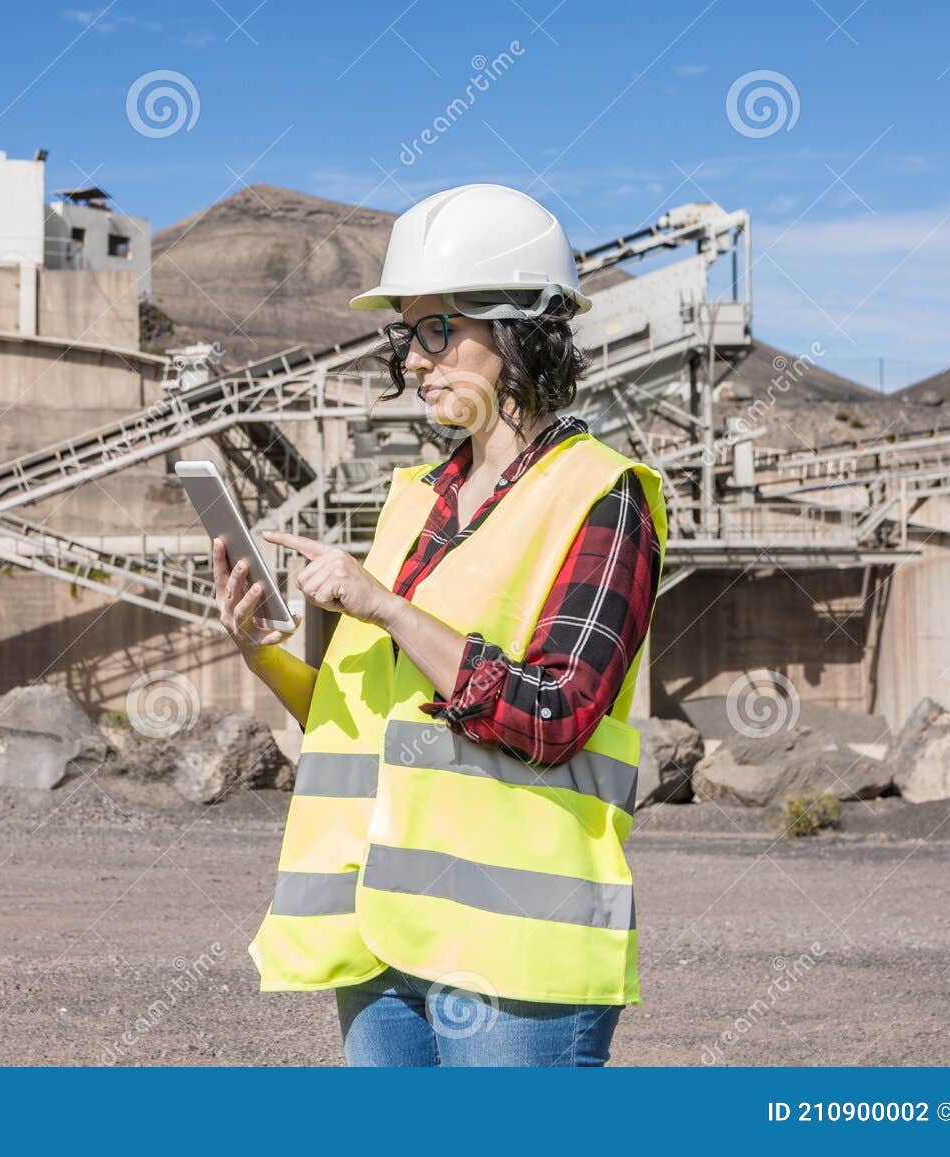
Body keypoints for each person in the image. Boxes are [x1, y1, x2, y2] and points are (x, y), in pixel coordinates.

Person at [211, 183, 666, 1067]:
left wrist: (384, 605)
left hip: (516, 958)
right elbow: (366, 725)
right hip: (380, 936)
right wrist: (262, 652)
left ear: (519, 333)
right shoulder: (411, 503)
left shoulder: (602, 498)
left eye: (436, 332)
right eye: (406, 336)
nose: (415, 362)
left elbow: (556, 714)